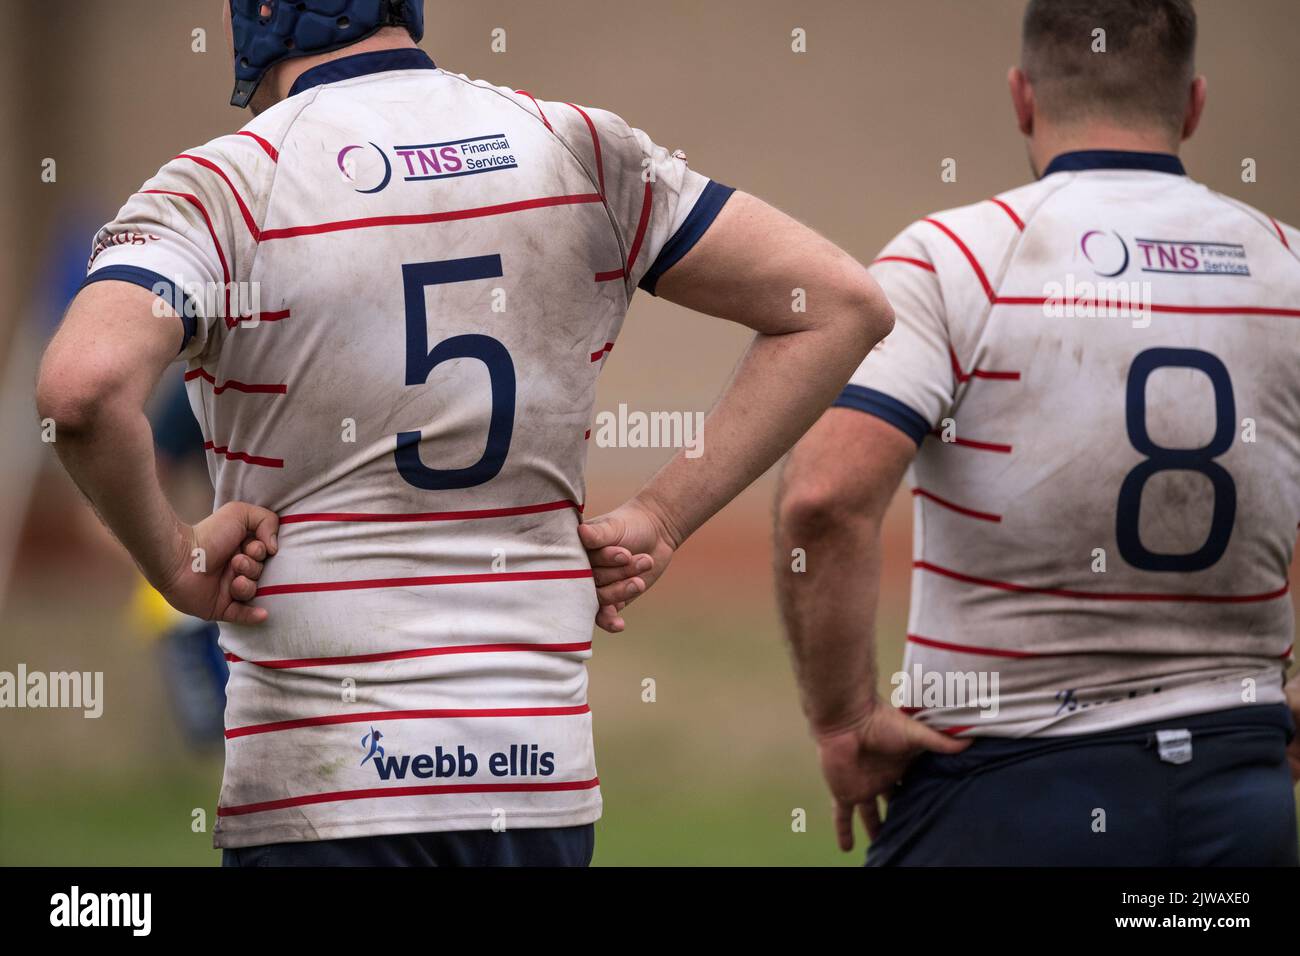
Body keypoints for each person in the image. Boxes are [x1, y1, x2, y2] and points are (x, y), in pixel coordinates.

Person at [35, 0, 892, 866]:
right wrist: (663, 516)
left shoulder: (225, 183)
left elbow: (81, 391)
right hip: (535, 784)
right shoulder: (578, 146)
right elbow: (838, 305)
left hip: (321, 792)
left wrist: (179, 567)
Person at [775, 0, 1299, 866]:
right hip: (1238, 796)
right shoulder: (1282, 266)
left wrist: (844, 721)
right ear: (1195, 105)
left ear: (1021, 98)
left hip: (1011, 790)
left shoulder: (955, 258)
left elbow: (822, 501)